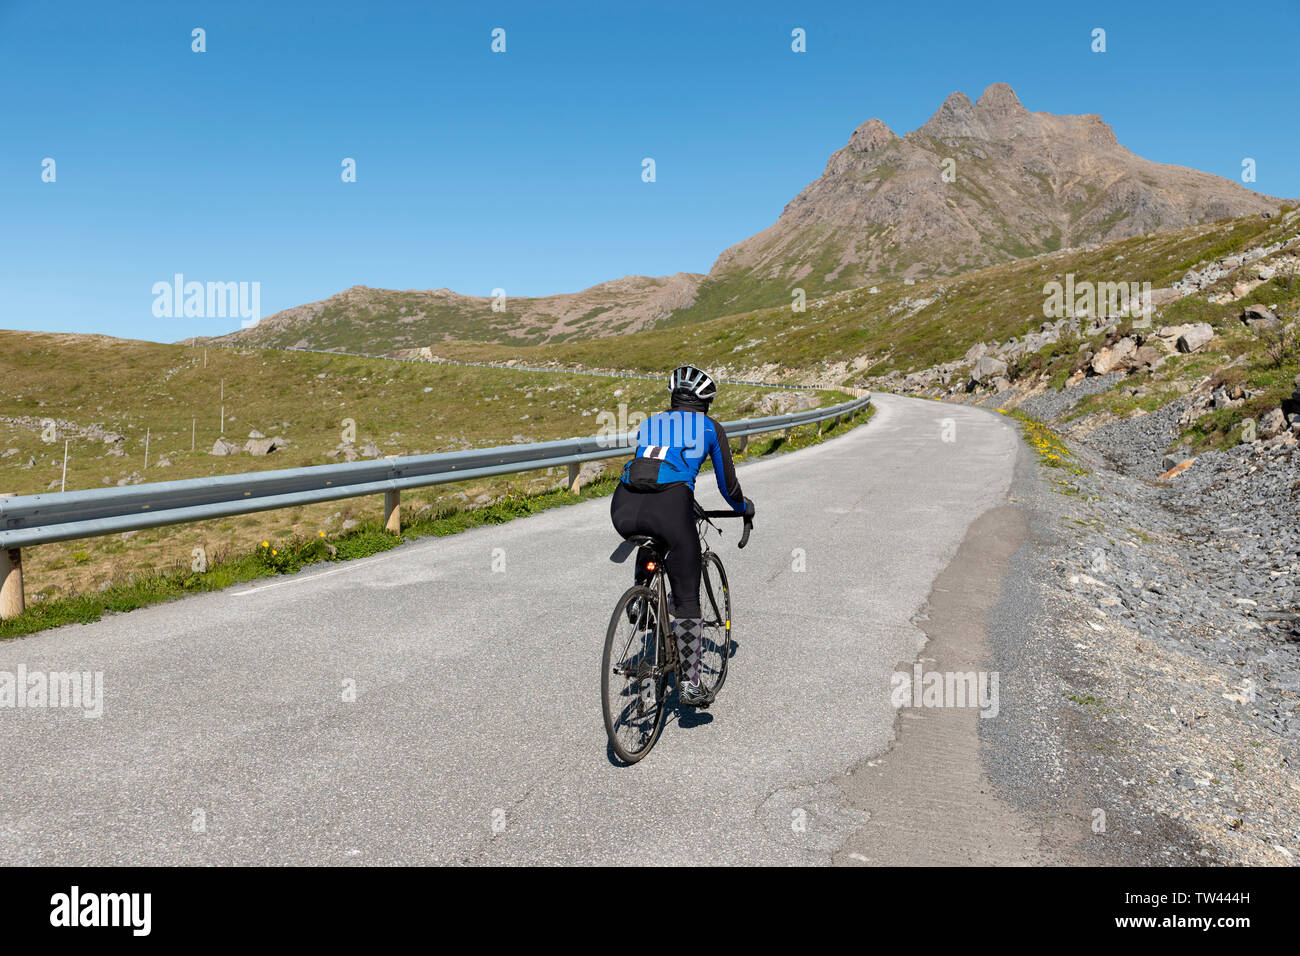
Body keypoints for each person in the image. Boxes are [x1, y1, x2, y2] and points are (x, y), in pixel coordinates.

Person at [610, 365, 754, 708]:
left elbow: (653, 471)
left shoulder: (650, 423)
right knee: (687, 597)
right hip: (670, 505)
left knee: (650, 537)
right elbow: (728, 487)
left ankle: (644, 602)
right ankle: (689, 683)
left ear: (673, 397)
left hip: (623, 506)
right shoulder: (710, 428)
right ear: (707, 401)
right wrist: (744, 507)